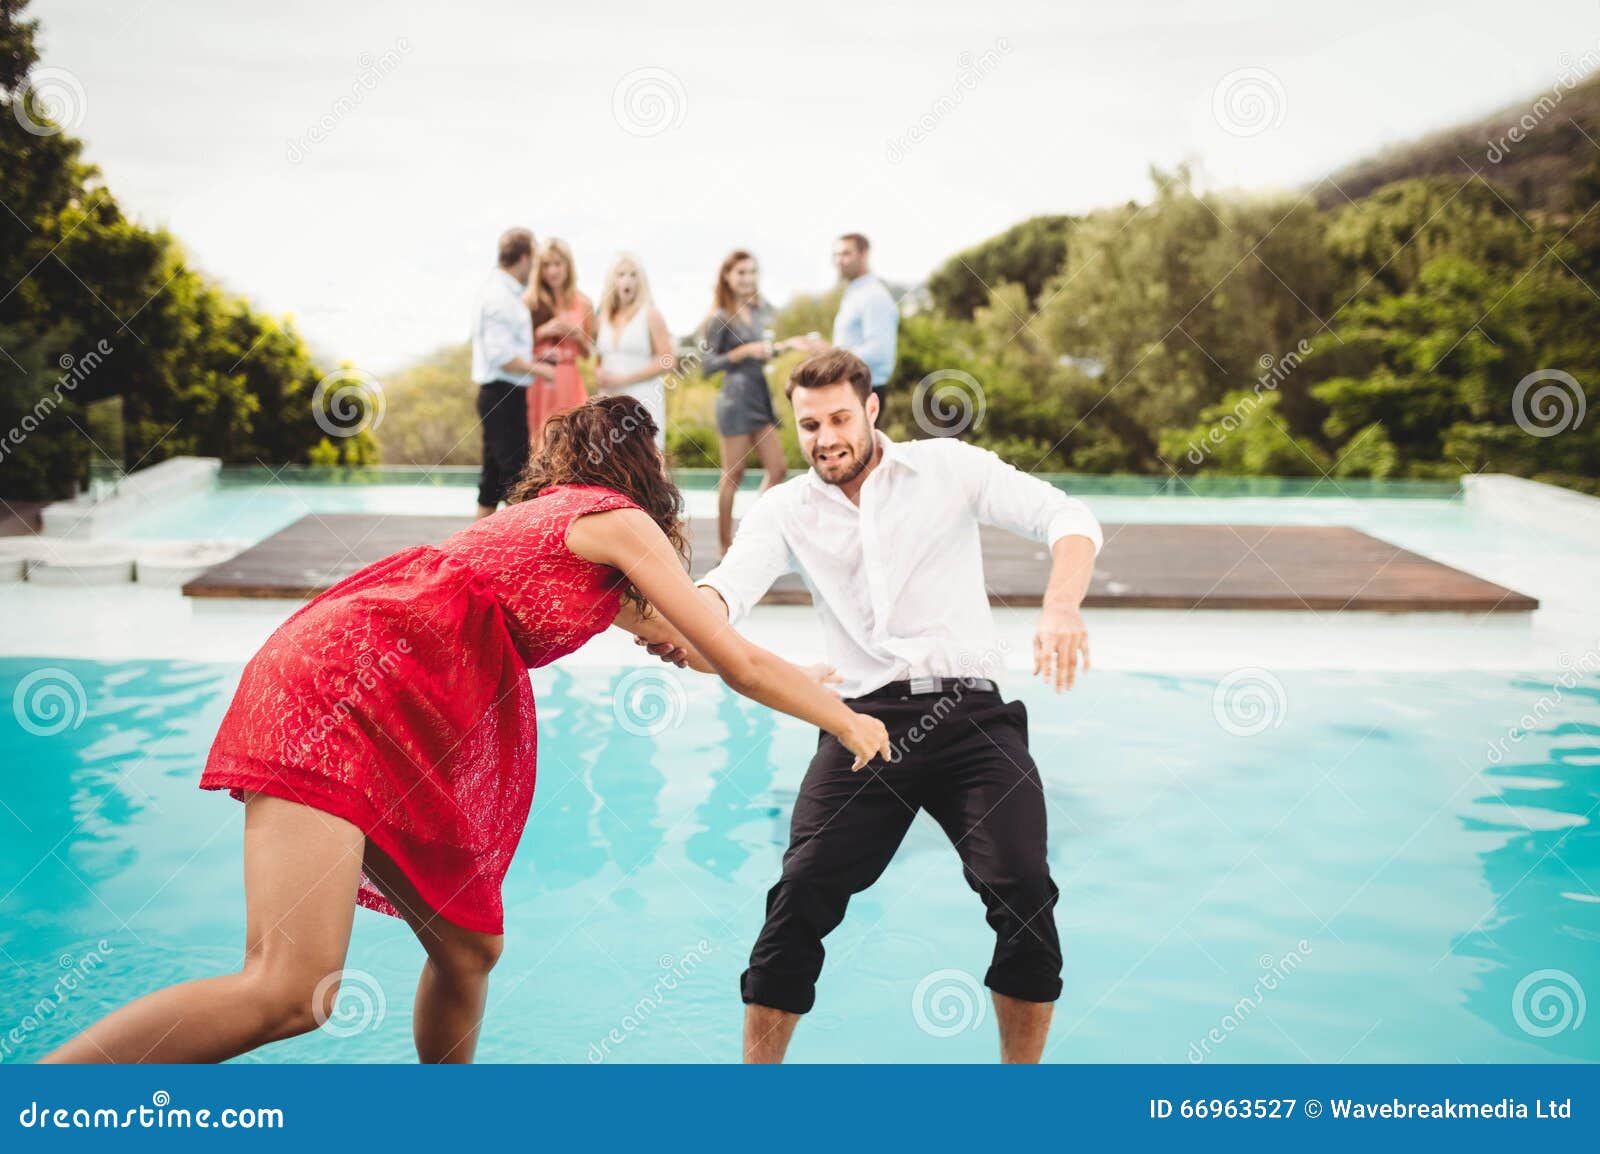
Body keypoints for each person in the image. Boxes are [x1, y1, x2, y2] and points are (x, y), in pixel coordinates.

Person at [42, 396, 892, 1065]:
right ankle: (42, 1104)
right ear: (642, 466)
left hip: (373, 693)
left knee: (469, 948)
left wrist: (812, 682)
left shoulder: (579, 539)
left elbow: (707, 648)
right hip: (345, 689)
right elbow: (737, 665)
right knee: (288, 991)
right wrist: (845, 720)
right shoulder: (615, 519)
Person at [638, 349, 1101, 1064]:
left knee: (1023, 890)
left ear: (873, 409)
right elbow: (725, 593)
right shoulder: (786, 508)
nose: (826, 438)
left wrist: (1061, 607)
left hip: (972, 714)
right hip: (859, 723)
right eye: (809, 424)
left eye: (840, 419)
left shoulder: (947, 467)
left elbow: (1066, 518)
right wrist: (684, 621)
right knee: (797, 897)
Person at [701, 250, 786, 556]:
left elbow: (767, 348)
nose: (748, 278)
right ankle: (724, 546)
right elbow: (706, 365)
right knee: (732, 475)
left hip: (759, 397)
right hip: (734, 400)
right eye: (741, 273)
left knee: (778, 468)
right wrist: (744, 351)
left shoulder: (760, 311)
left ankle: (751, 530)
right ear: (727, 277)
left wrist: (786, 346)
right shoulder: (720, 318)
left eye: (752, 272)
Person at [472, 227, 553, 518]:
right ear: (524, 257)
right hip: (502, 397)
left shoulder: (505, 293)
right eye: (534, 258)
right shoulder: (500, 297)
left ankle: (471, 554)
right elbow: (502, 357)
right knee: (517, 479)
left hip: (504, 395)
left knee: (492, 481)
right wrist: (544, 370)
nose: (535, 267)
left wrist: (539, 358)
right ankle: (526, 555)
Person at [793, 233, 899, 424]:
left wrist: (832, 353)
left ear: (864, 254)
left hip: (867, 391)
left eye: (845, 254)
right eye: (836, 255)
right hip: (851, 390)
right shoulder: (855, 293)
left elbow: (879, 352)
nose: (838, 261)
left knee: (864, 453)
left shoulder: (874, 296)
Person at [594, 252, 673, 451]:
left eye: (633, 274)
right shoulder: (602, 317)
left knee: (645, 457)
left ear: (641, 280)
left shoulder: (650, 314)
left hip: (643, 400)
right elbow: (600, 358)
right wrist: (600, 374)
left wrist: (625, 379)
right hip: (610, 401)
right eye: (621, 274)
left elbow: (668, 360)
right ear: (613, 280)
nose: (627, 280)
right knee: (611, 458)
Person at [525, 238, 595, 451]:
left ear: (568, 266)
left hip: (569, 377)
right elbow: (516, 348)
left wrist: (576, 335)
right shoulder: (530, 301)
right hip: (539, 379)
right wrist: (542, 332)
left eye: (557, 264)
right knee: (539, 441)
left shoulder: (583, 303)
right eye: (546, 265)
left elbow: (588, 353)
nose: (552, 271)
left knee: (572, 437)